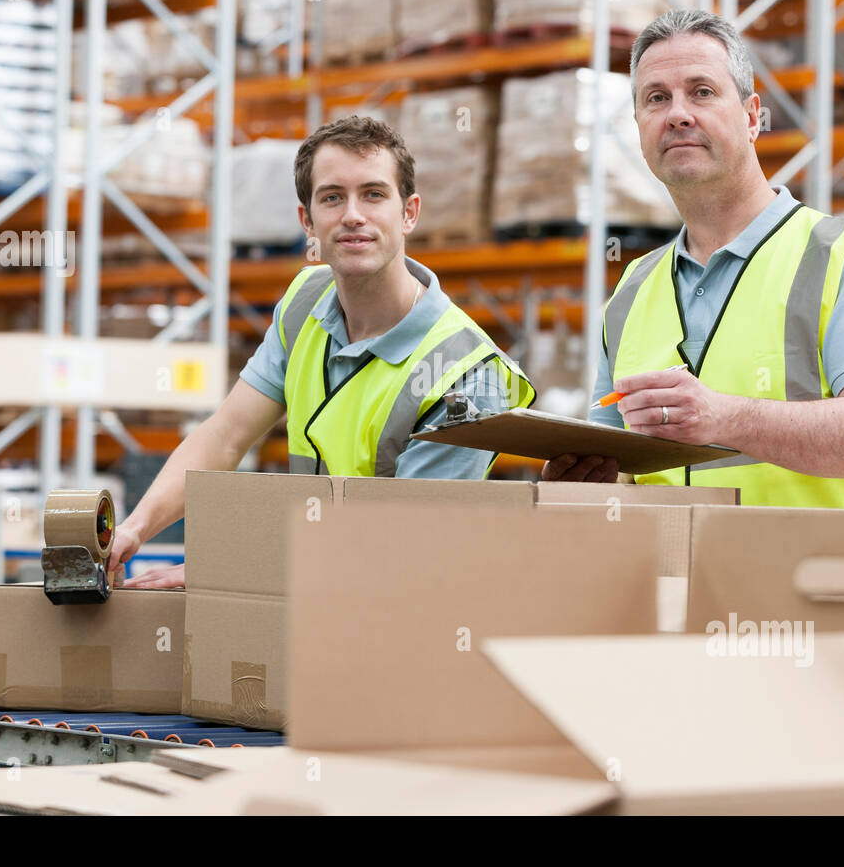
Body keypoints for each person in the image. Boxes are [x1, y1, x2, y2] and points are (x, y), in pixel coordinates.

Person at [116, 116, 533, 588]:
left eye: (373, 194)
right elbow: (226, 436)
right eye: (333, 197)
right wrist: (135, 528)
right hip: (311, 595)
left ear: (409, 213)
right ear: (307, 221)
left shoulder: (466, 373)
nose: (353, 215)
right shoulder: (304, 304)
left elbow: (410, 545)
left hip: (409, 608)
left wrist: (231, 571)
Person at [544, 8, 844, 509]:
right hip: (673, 561)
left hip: (820, 562)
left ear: (751, 118)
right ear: (638, 125)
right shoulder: (630, 295)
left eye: (702, 92)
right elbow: (619, 472)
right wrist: (580, 483)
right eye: (656, 98)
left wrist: (724, 418)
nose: (678, 114)